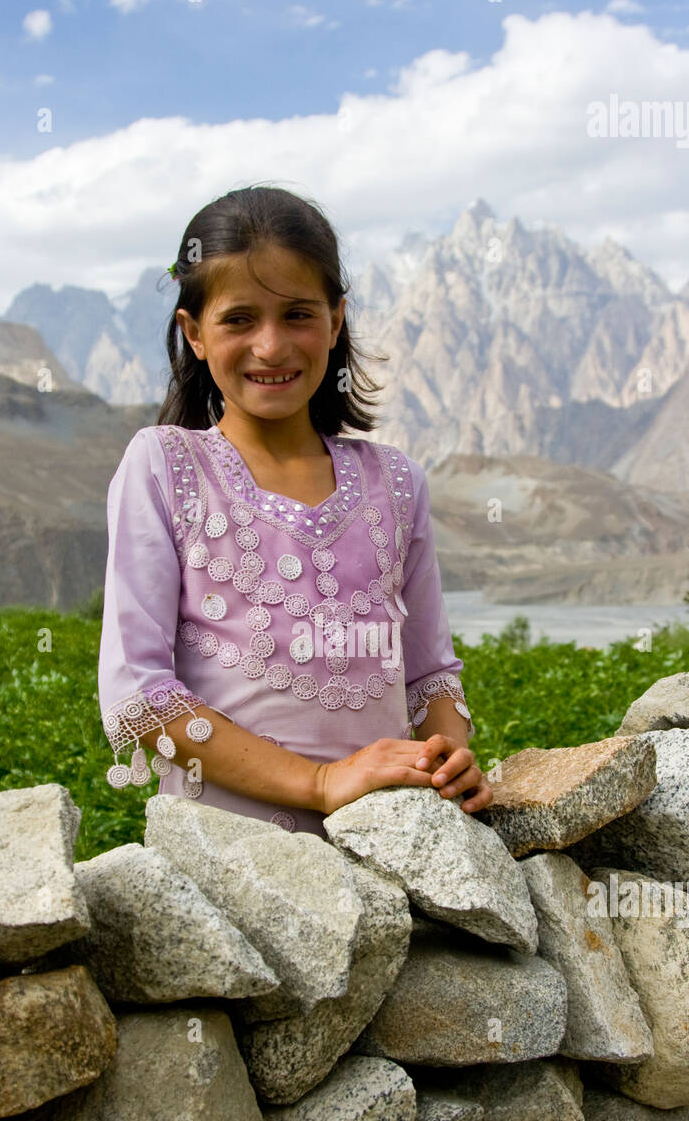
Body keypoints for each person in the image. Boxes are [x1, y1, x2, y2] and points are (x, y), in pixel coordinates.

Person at [97, 184, 494, 837]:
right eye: (239, 319)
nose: (272, 346)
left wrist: (448, 757)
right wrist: (318, 781)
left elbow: (429, 675)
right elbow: (140, 696)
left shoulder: (395, 482)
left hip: (390, 846)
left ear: (337, 321)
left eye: (298, 315)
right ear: (193, 333)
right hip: (229, 864)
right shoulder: (165, 467)